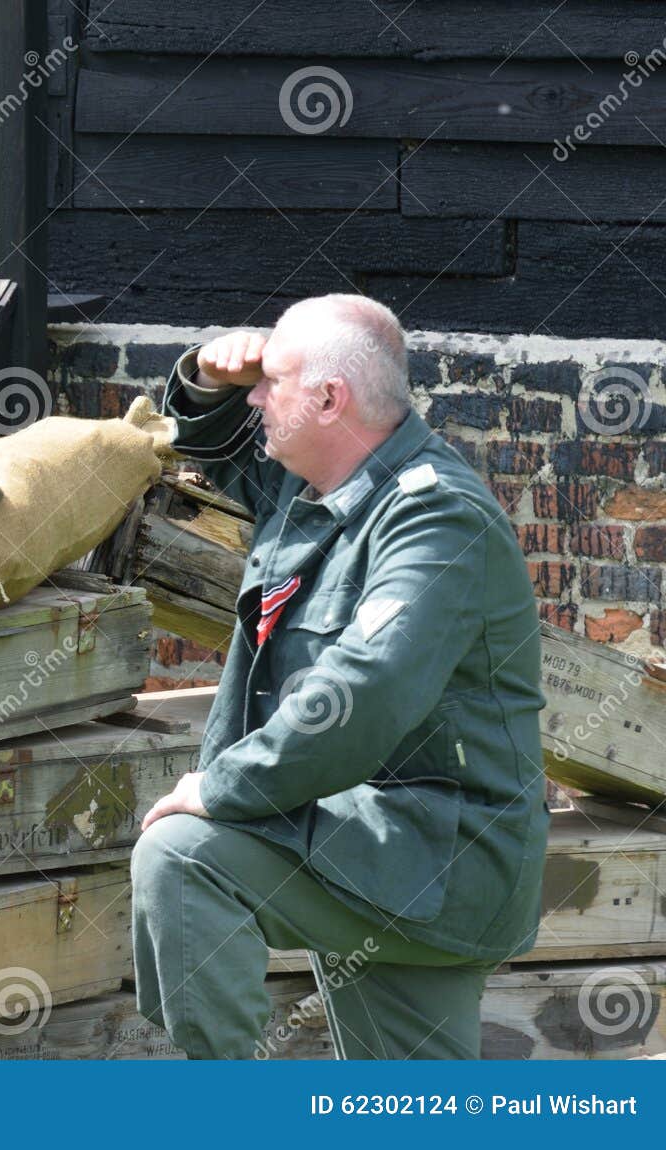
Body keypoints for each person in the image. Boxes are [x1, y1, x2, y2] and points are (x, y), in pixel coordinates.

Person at [130, 294, 549, 1059]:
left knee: (183, 856)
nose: (258, 395)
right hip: (379, 848)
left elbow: (367, 687)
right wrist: (205, 377)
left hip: (435, 859)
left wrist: (224, 788)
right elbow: (215, 445)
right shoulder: (316, 487)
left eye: (274, 382)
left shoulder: (436, 518)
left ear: (330, 398)